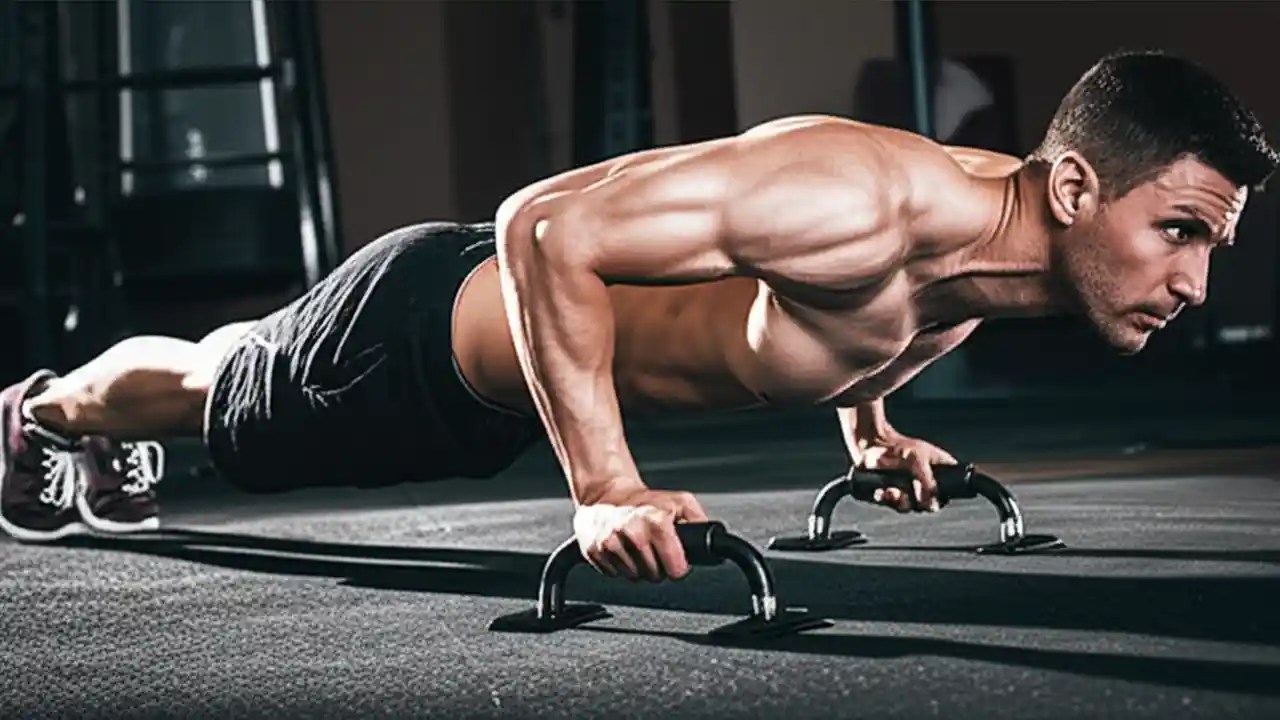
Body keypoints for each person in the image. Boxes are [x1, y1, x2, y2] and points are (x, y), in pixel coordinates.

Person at [2, 51, 1274, 581]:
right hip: (412, 348)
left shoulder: (995, 257)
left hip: (516, 396)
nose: (1192, 282)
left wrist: (867, 433)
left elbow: (869, 318)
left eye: (1210, 248)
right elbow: (542, 227)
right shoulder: (859, 193)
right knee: (209, 390)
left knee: (221, 377)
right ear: (1068, 185)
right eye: (1177, 231)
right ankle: (42, 410)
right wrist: (606, 488)